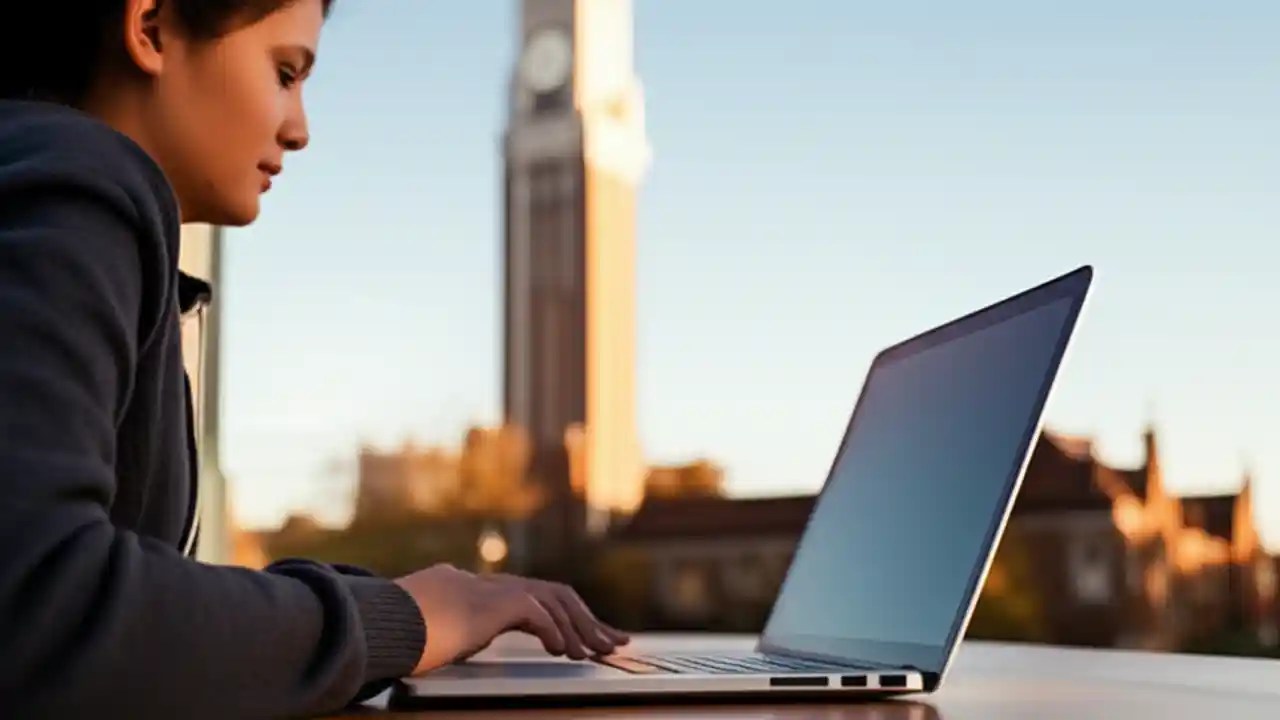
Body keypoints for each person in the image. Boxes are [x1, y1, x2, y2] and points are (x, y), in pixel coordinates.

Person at [0, 1, 627, 717]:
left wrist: (397, 602)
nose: (299, 129)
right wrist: (411, 618)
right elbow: (41, 605)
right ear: (150, 28)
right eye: (285, 72)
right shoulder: (78, 186)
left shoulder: (60, 193)